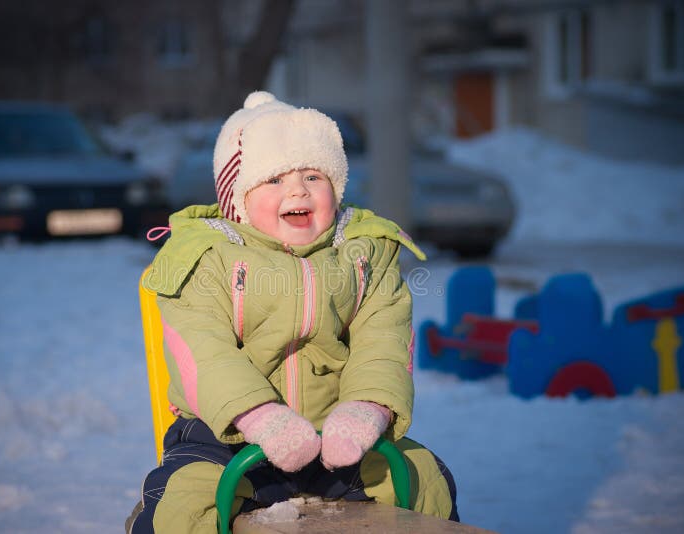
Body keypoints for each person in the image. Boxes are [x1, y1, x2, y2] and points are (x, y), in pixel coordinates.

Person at [130, 91, 458, 533]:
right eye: (274, 180)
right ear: (239, 200)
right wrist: (260, 418)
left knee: (426, 479)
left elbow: (384, 337)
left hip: (337, 437)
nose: (297, 189)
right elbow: (203, 353)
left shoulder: (364, 253)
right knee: (181, 506)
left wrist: (366, 408)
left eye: (312, 175)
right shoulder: (206, 258)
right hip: (225, 437)